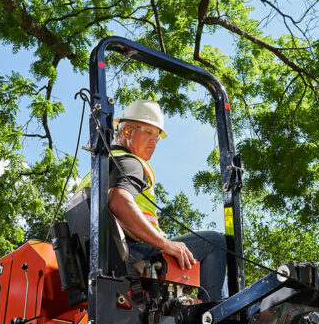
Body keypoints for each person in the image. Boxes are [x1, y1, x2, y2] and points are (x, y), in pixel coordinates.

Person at [75, 99, 227, 302]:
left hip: (106, 261)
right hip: (136, 256)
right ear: (127, 131)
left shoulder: (98, 170)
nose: (154, 140)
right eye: (148, 132)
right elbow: (119, 201)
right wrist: (165, 244)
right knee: (215, 242)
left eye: (157, 135)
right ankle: (213, 318)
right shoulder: (131, 163)